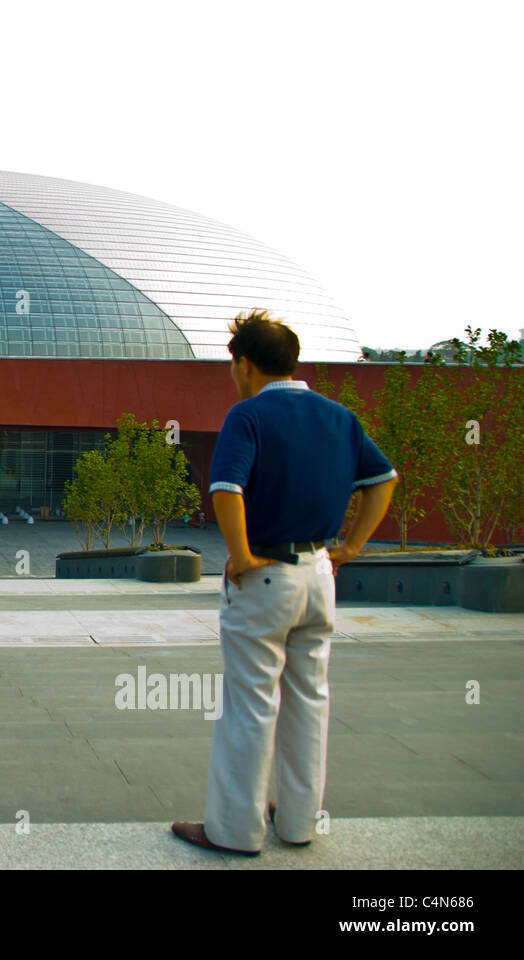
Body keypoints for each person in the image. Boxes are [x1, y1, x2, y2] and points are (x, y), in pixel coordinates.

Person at [171, 310, 396, 855]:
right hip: (320, 574)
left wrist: (241, 555)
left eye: (233, 365)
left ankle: (234, 830)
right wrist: (351, 547)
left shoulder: (248, 417)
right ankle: (297, 823)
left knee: (250, 705)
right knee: (309, 701)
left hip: (267, 577)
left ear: (245, 364)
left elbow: (226, 486)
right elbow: (383, 479)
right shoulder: (339, 417)